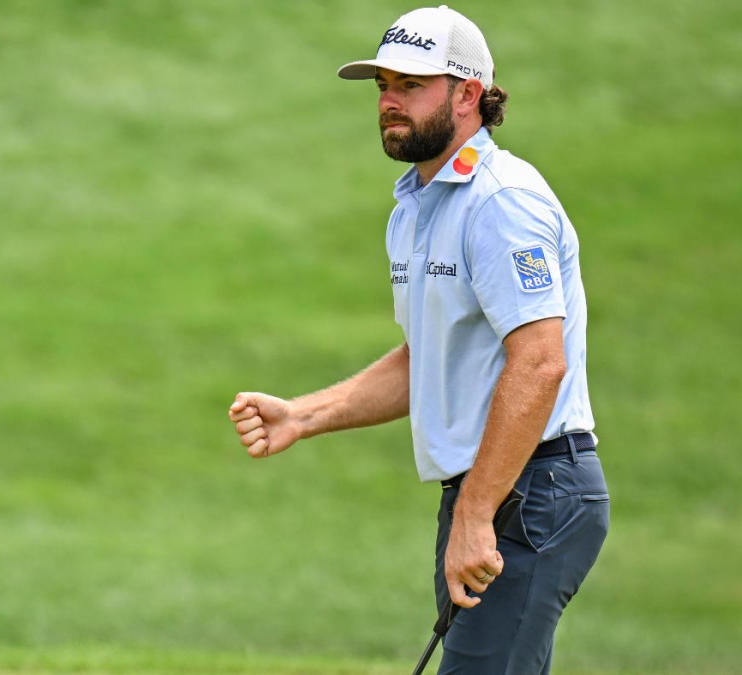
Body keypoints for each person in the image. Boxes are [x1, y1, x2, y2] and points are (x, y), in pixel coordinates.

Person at [228, 5, 609, 672]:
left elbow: (541, 363)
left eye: (411, 85)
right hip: (493, 490)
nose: (389, 103)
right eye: (383, 86)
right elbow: (428, 358)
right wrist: (304, 413)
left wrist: (476, 509)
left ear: (468, 94)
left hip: (532, 489)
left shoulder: (501, 201)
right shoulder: (414, 210)